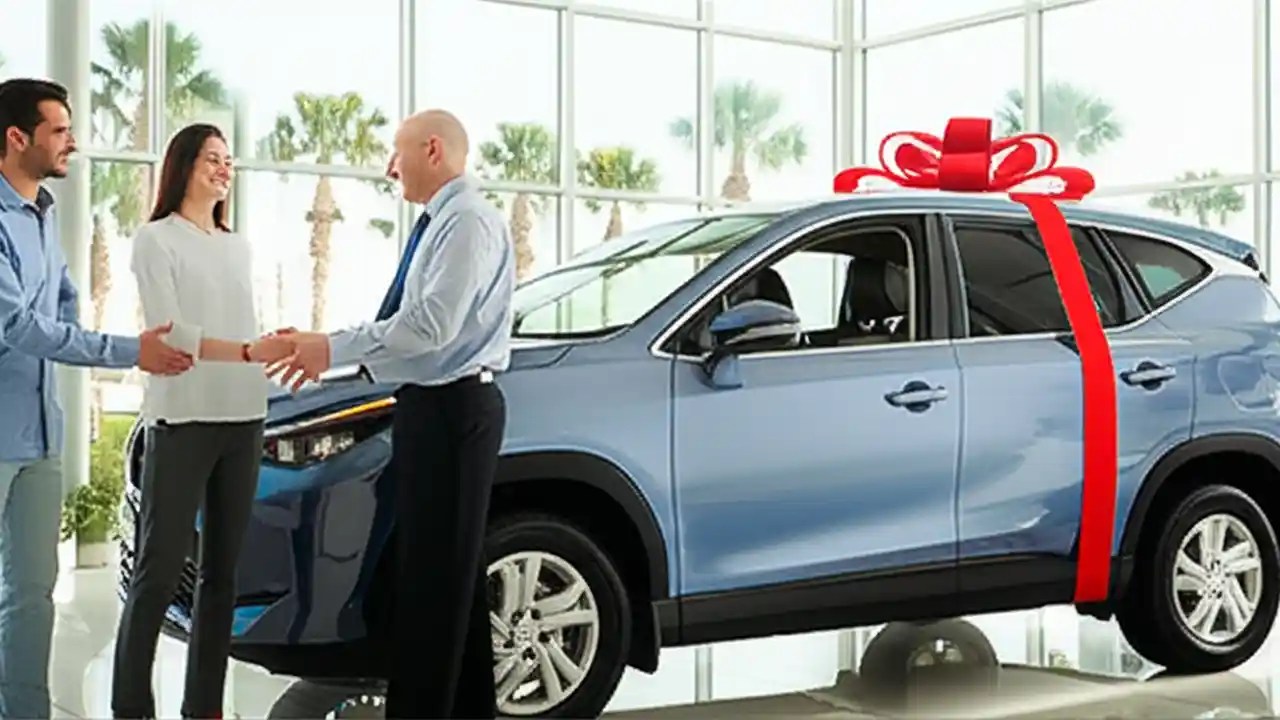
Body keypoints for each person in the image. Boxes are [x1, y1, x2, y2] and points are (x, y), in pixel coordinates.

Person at [270, 108, 515, 719]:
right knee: (448, 580)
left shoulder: (466, 224)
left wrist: (331, 346)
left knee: (432, 588)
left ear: (432, 149)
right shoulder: (445, 223)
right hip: (434, 408)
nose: (389, 168)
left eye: (396, 153)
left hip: (452, 411)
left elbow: (430, 328)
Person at [0, 78, 195, 720]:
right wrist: (126, 350)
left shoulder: (44, 212)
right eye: (59, 129)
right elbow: (18, 326)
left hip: (41, 435)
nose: (72, 141)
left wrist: (56, 329)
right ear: (16, 137)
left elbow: (59, 305)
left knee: (33, 591)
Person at [110, 123, 296, 720]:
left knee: (223, 579)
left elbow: (244, 324)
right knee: (158, 574)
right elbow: (172, 335)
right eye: (212, 158)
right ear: (184, 165)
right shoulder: (155, 239)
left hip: (244, 419)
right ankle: (131, 708)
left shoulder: (236, 245)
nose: (223, 168)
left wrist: (262, 351)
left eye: (228, 160)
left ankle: (204, 708)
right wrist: (246, 352)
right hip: (183, 419)